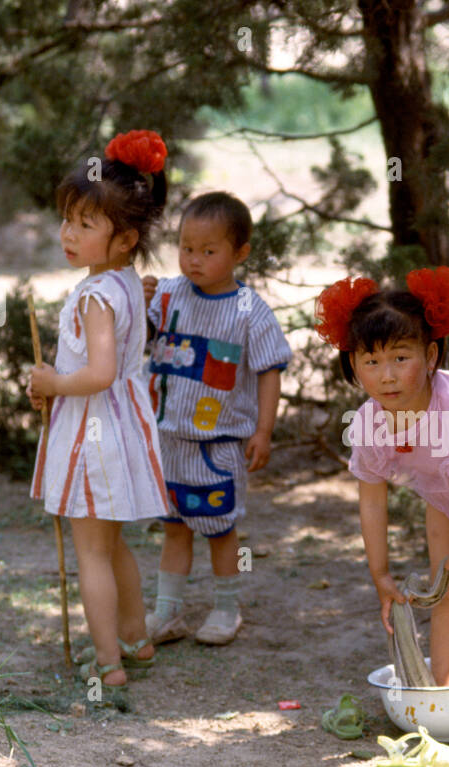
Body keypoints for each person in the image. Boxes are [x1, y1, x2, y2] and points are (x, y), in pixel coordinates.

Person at [316, 268, 449, 686]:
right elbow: (372, 501)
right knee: (443, 588)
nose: (387, 375)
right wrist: (380, 576)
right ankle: (442, 687)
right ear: (353, 364)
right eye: (372, 361)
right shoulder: (368, 424)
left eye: (401, 357)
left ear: (431, 357)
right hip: (444, 490)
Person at [27, 129, 170, 688]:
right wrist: (56, 383)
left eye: (87, 225)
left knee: (91, 552)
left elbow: (100, 373)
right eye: (68, 219)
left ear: (124, 238)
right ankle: (136, 638)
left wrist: (54, 382)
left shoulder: (93, 297)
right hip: (122, 426)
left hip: (94, 431)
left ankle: (108, 663)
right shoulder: (126, 282)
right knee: (112, 543)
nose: (69, 233)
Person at [140, 191, 292, 646]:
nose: (194, 260)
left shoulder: (250, 311)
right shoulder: (167, 294)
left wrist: (264, 431)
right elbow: (139, 339)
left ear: (239, 253)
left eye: (209, 251)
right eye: (187, 248)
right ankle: (167, 612)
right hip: (167, 439)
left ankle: (227, 608)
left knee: (220, 528)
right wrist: (138, 301)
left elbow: (269, 371)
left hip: (217, 445)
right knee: (174, 527)